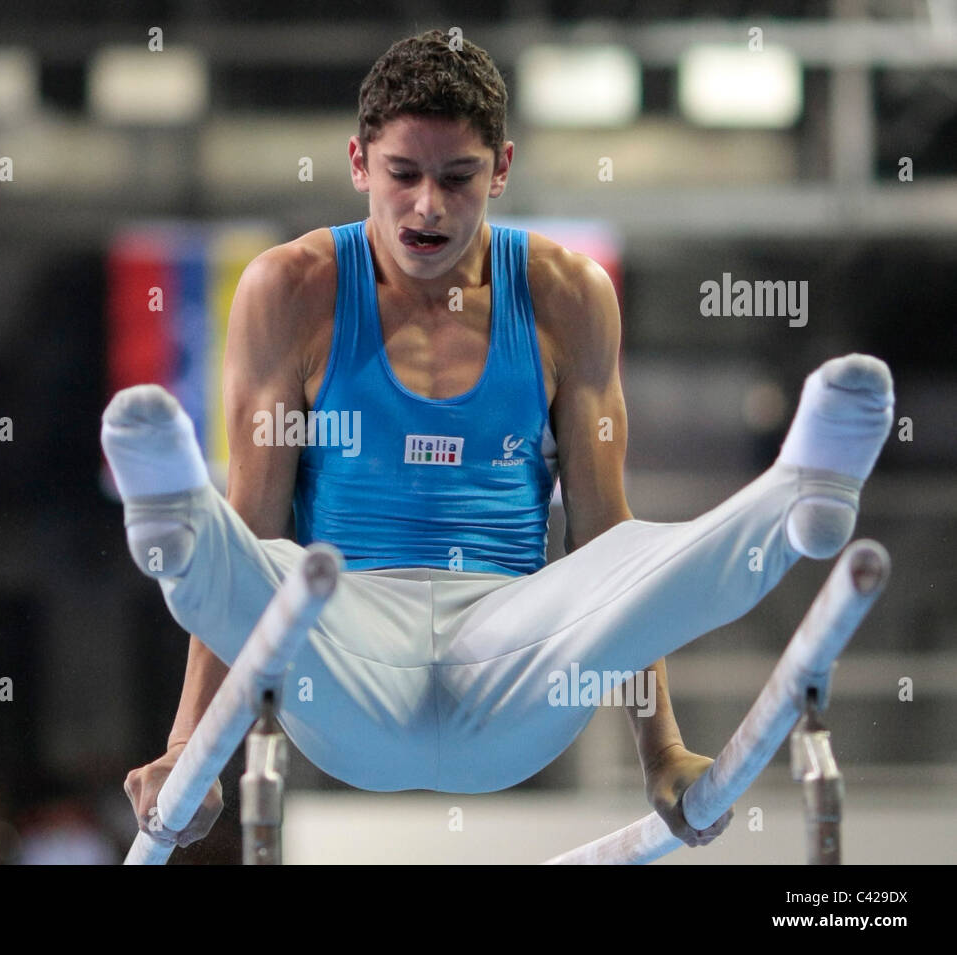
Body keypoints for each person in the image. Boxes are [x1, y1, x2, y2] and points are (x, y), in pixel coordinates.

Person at [105, 29, 894, 855]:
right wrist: (190, 746)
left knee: (642, 549)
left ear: (503, 168)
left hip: (515, 653)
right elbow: (260, 521)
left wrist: (660, 753)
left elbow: (602, 539)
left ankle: (798, 497)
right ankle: (176, 524)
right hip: (343, 650)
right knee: (254, 558)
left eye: (458, 177)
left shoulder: (565, 293)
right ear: (356, 162)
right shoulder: (291, 288)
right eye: (402, 175)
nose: (428, 207)